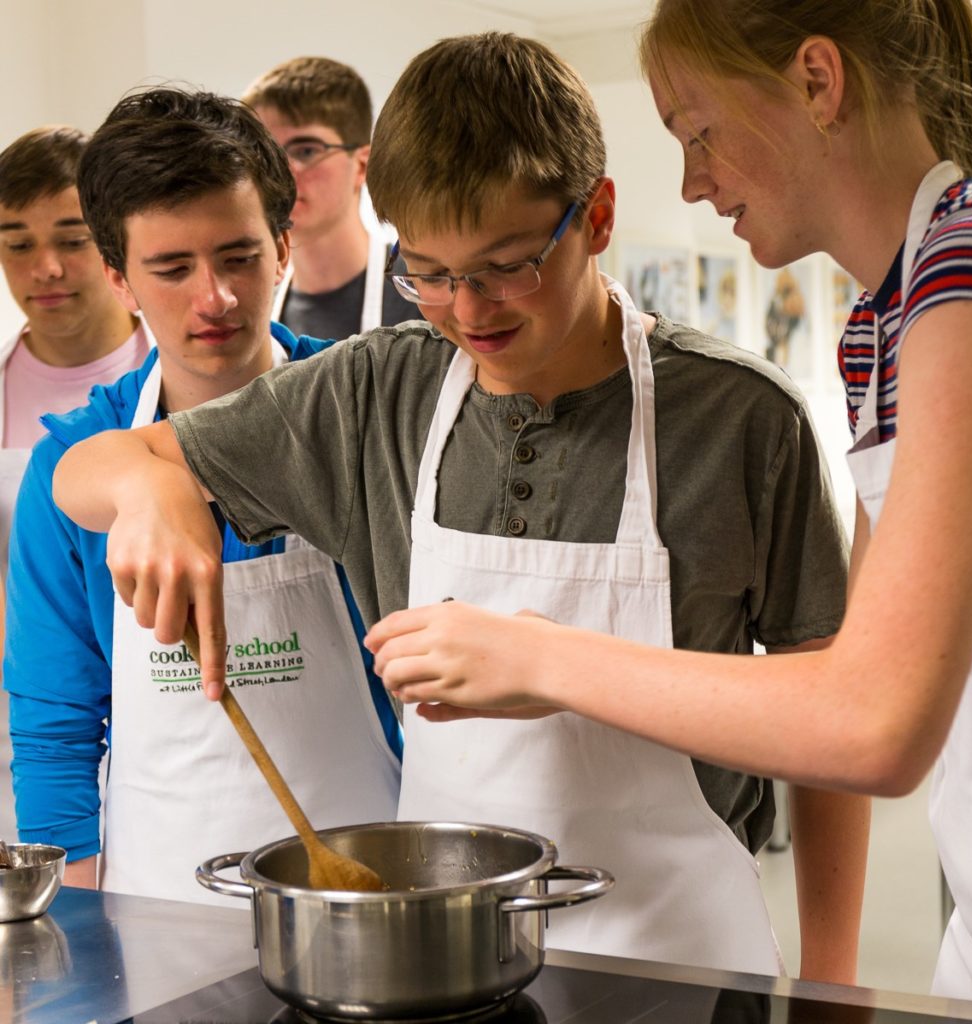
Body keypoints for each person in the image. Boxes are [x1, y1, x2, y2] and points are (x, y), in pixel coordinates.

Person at [52, 35, 866, 980]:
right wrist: (152, 486)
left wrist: (833, 978)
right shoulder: (378, 394)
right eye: (430, 274)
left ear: (597, 217)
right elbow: (89, 467)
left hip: (684, 957)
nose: (469, 312)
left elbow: (830, 710)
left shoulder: (739, 418)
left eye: (506, 265)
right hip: (451, 962)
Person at [364, 1, 972, 1007]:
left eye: (698, 131)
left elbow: (874, 722)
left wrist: (540, 657)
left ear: (817, 82)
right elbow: (859, 674)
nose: (691, 180)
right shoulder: (880, 321)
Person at [4, 89, 401, 903]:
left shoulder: (367, 414)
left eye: (239, 257)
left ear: (283, 248)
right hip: (159, 900)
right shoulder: (69, 464)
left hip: (376, 881)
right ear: (119, 277)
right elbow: (55, 725)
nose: (214, 297)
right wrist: (75, 920)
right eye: (172, 269)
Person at [0, 126, 151, 840]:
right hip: (25, 717)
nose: (47, 268)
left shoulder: (175, 376)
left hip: (153, 707)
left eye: (72, 239)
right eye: (17, 243)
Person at [242, 56, 410, 339]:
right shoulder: (251, 308)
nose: (279, 172)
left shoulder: (422, 290)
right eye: (265, 154)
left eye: (306, 151)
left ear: (362, 165)